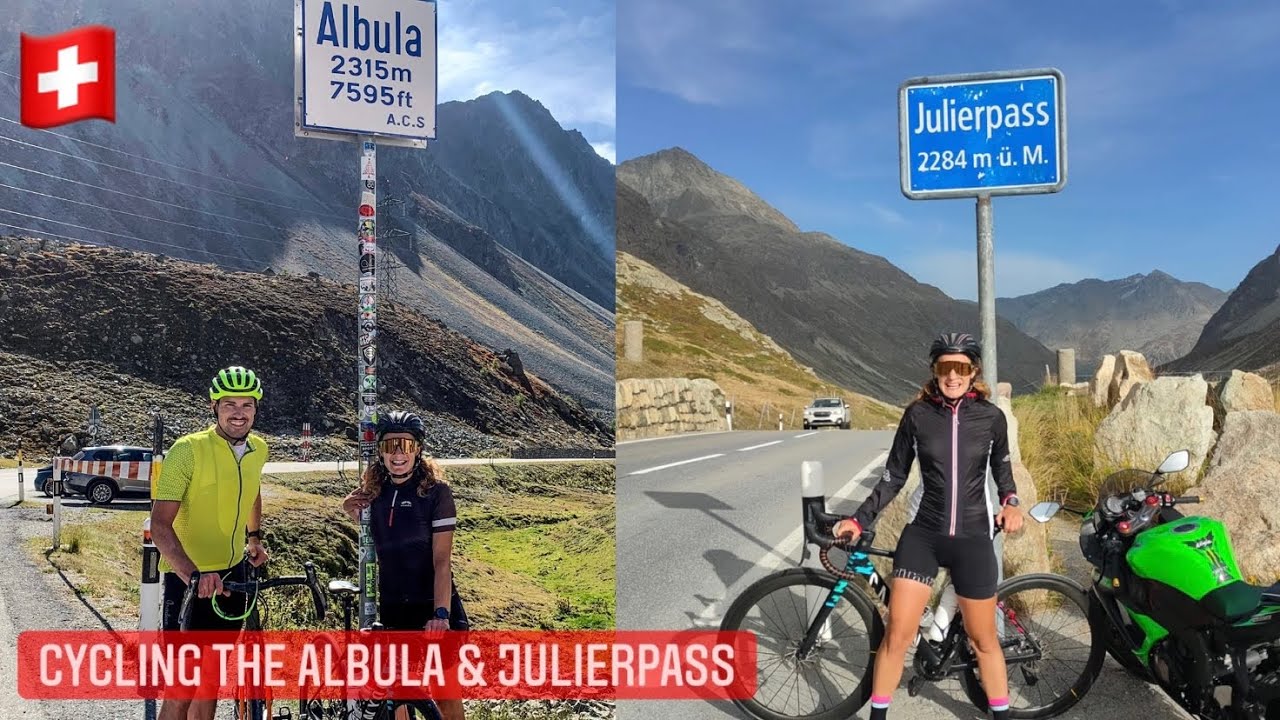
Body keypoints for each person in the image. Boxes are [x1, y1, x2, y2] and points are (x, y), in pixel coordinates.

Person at [833, 332, 1023, 720]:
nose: (952, 375)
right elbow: (893, 476)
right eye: (944, 367)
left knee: (984, 640)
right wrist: (858, 518)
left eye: (960, 368)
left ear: (973, 372)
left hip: (973, 537)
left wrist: (1012, 503)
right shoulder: (918, 415)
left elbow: (1003, 471)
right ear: (934, 371)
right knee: (898, 635)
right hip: (924, 536)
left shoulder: (991, 418)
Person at [151, 365, 270, 720]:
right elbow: (159, 525)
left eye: (246, 405)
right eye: (229, 404)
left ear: (256, 409)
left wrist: (254, 538)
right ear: (214, 406)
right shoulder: (187, 450)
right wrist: (193, 575)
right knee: (181, 690)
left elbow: (252, 490)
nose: (238, 413)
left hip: (232, 577)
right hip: (188, 582)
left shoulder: (259, 449)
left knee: (209, 683)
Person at [342, 410, 465, 720]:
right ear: (380, 451)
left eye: (406, 445)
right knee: (398, 701)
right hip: (394, 609)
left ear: (418, 449)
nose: (398, 453)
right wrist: (349, 508)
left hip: (433, 607)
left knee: (446, 698)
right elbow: (376, 534)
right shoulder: (374, 493)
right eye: (390, 445)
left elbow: (442, 561)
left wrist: (440, 615)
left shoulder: (436, 493)